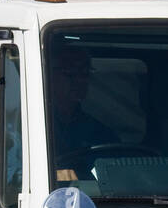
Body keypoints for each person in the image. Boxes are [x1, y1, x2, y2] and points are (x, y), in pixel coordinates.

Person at [50, 46, 118, 177]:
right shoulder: (31, 126)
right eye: (70, 73)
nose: (80, 80)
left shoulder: (101, 133)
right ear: (49, 75)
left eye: (85, 73)